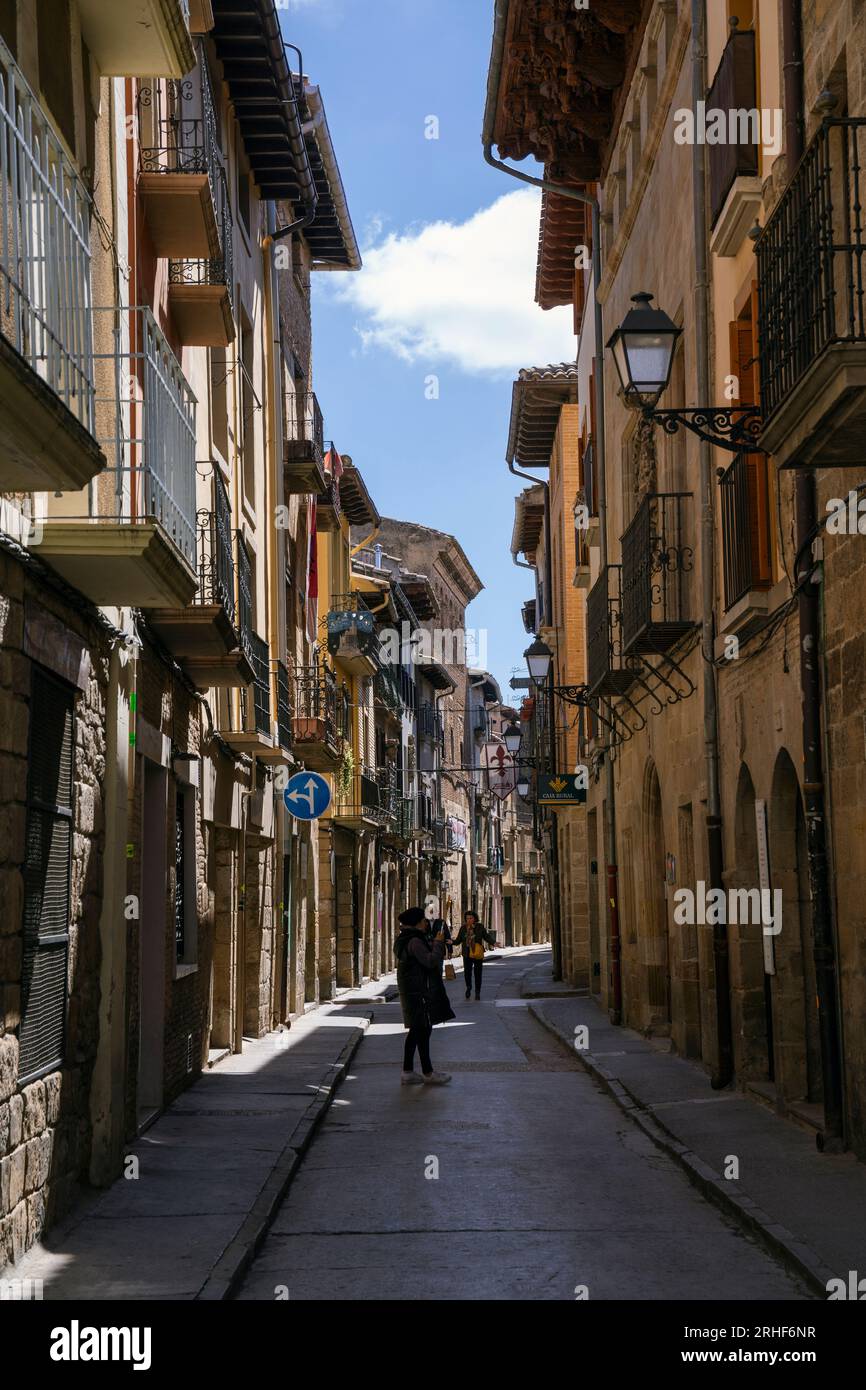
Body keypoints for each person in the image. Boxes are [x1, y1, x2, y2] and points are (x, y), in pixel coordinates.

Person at [394, 907, 452, 1085]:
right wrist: (439, 943)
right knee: (423, 1030)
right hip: (418, 991)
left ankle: (408, 1071)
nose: (427, 923)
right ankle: (428, 1072)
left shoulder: (407, 939)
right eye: (424, 920)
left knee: (416, 1031)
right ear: (418, 922)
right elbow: (429, 961)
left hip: (414, 990)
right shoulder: (414, 941)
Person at [453, 910, 496, 1000]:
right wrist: (451, 942)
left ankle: (477, 992)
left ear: (475, 919)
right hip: (467, 953)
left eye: (471, 918)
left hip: (477, 953)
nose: (468, 920)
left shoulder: (479, 927)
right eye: (467, 918)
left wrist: (494, 942)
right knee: (467, 973)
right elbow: (458, 940)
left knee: (478, 973)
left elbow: (486, 936)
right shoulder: (463, 928)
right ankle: (468, 987)